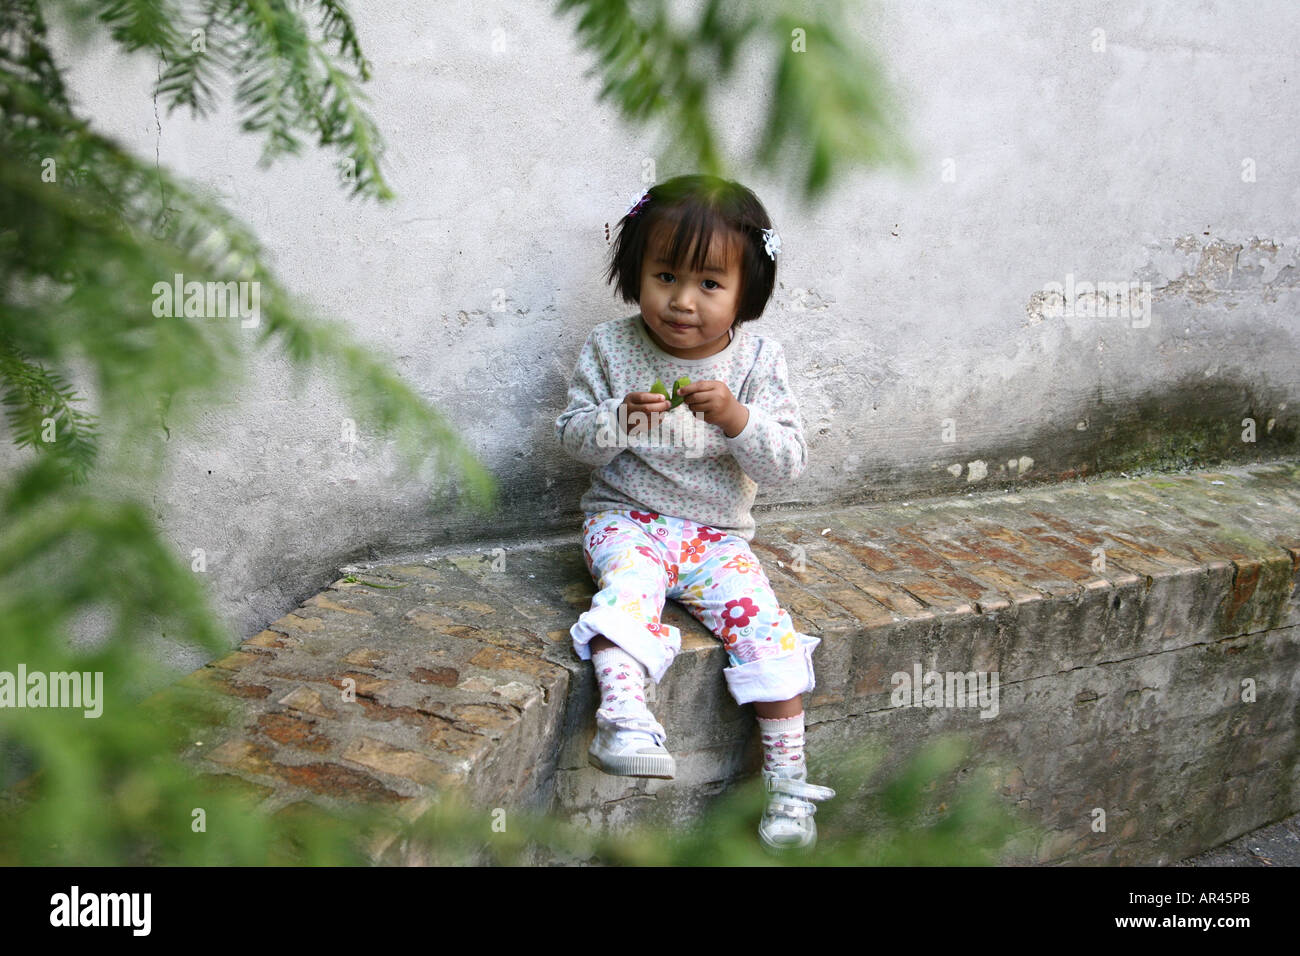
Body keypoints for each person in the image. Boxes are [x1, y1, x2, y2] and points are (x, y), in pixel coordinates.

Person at [554, 174, 835, 852]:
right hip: (628, 517)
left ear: (748, 292)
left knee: (768, 632)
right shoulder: (610, 348)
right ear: (635, 273)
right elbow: (570, 441)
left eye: (710, 284)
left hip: (717, 539)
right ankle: (623, 719)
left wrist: (739, 418)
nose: (682, 301)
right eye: (665, 275)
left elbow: (787, 463)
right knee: (630, 590)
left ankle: (788, 782)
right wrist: (615, 420)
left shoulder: (758, 362)